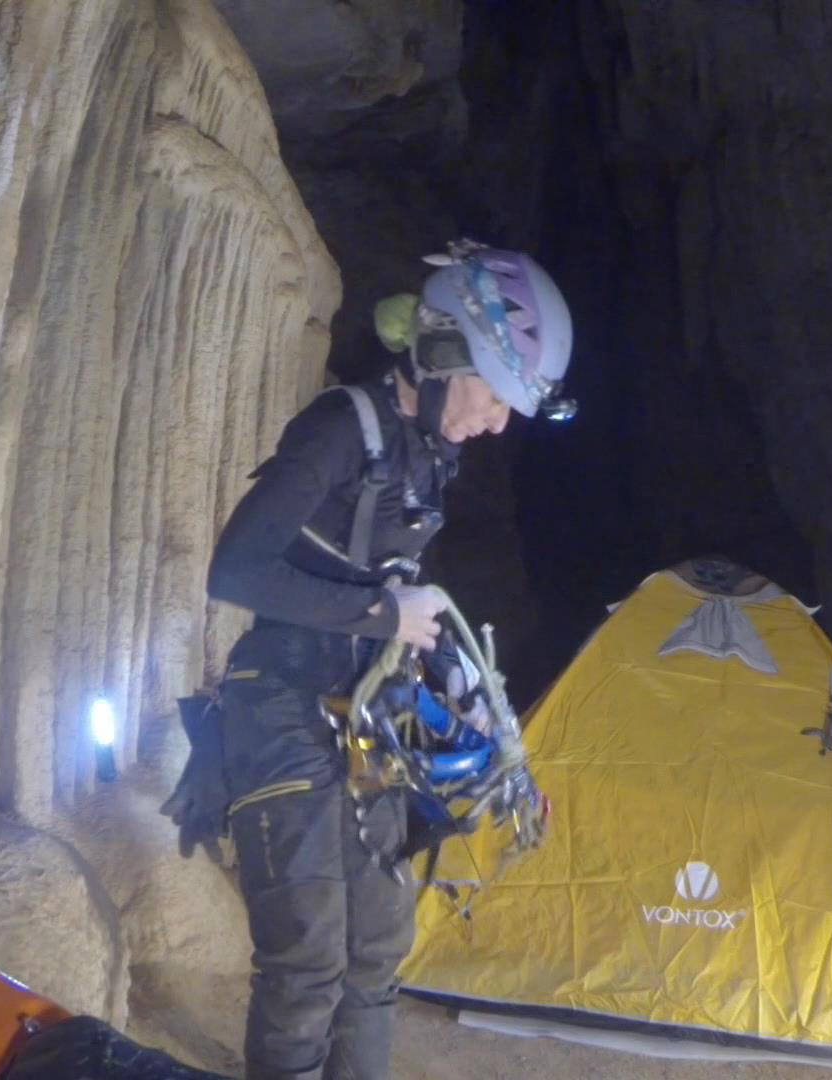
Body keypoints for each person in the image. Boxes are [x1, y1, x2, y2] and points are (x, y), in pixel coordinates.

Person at [188, 240, 574, 1080]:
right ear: (441, 354)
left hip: (367, 713)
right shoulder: (338, 430)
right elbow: (236, 571)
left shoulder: (431, 452)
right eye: (492, 394)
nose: (497, 422)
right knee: (307, 959)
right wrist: (383, 614)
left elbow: (397, 585)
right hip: (283, 698)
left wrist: (462, 689)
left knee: (374, 956)